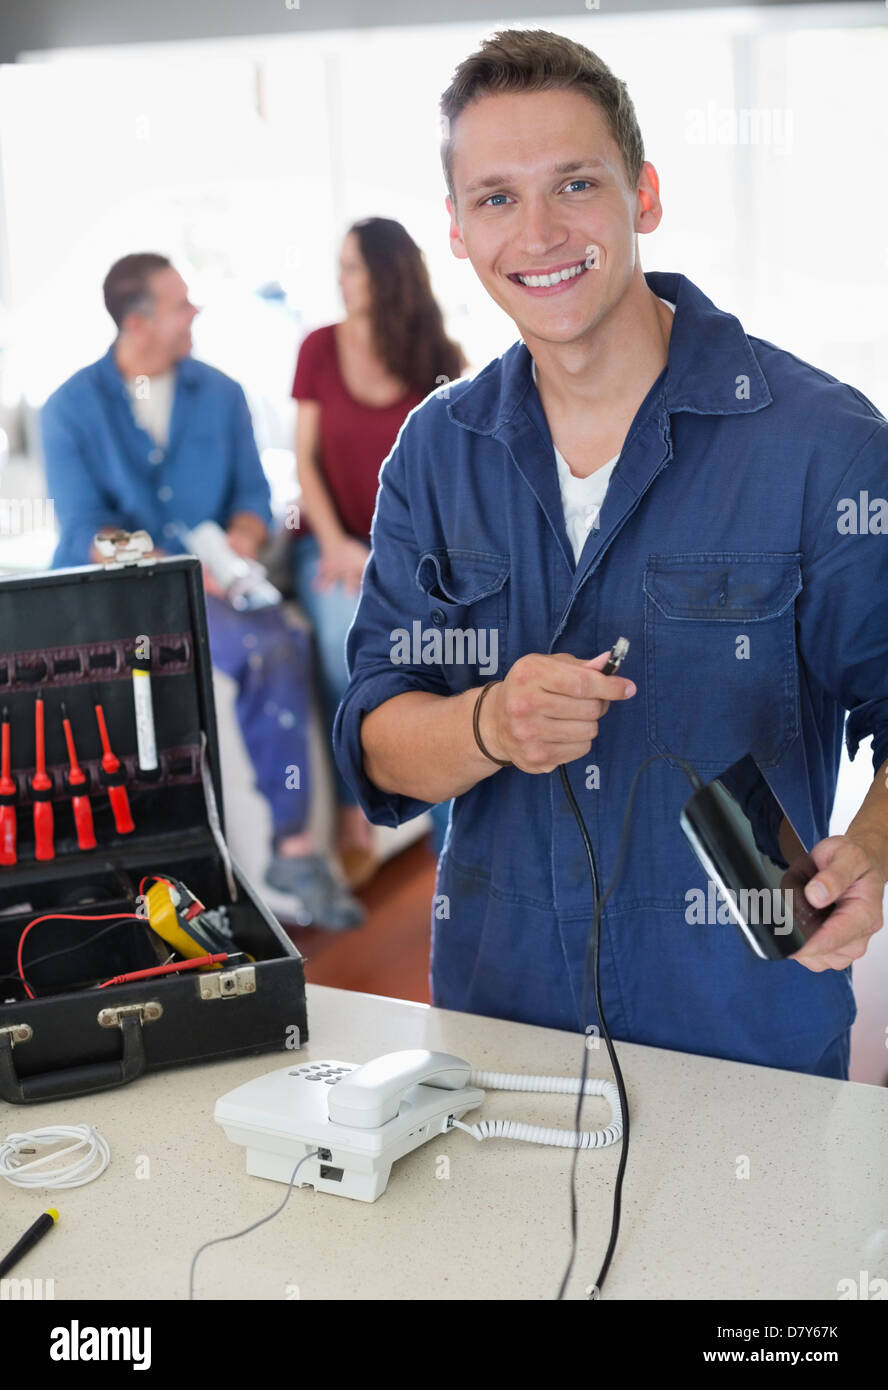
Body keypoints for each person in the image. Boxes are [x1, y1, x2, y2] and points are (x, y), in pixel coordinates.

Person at [333, 29, 888, 1078]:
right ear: (455, 229)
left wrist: (870, 852)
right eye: (495, 197)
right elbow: (374, 745)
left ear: (645, 194)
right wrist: (490, 721)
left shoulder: (829, 446)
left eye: (575, 184)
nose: (538, 232)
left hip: (741, 1047)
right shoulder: (435, 454)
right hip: (501, 1039)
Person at [41, 252, 363, 929]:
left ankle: (294, 847)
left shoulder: (221, 392)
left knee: (272, 642)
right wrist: (178, 561)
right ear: (138, 321)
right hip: (123, 594)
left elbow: (252, 497)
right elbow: (82, 533)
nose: (195, 315)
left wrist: (240, 542)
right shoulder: (70, 407)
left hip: (222, 587)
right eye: (181, 304)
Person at [289, 218, 465, 886]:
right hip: (329, 548)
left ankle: (454, 851)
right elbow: (303, 458)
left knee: (449, 661)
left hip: (410, 554)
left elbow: (451, 477)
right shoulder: (317, 348)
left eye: (354, 267)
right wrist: (335, 542)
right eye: (340, 267)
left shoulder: (436, 354)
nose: (341, 280)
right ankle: (356, 797)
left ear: (388, 274)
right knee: (347, 640)